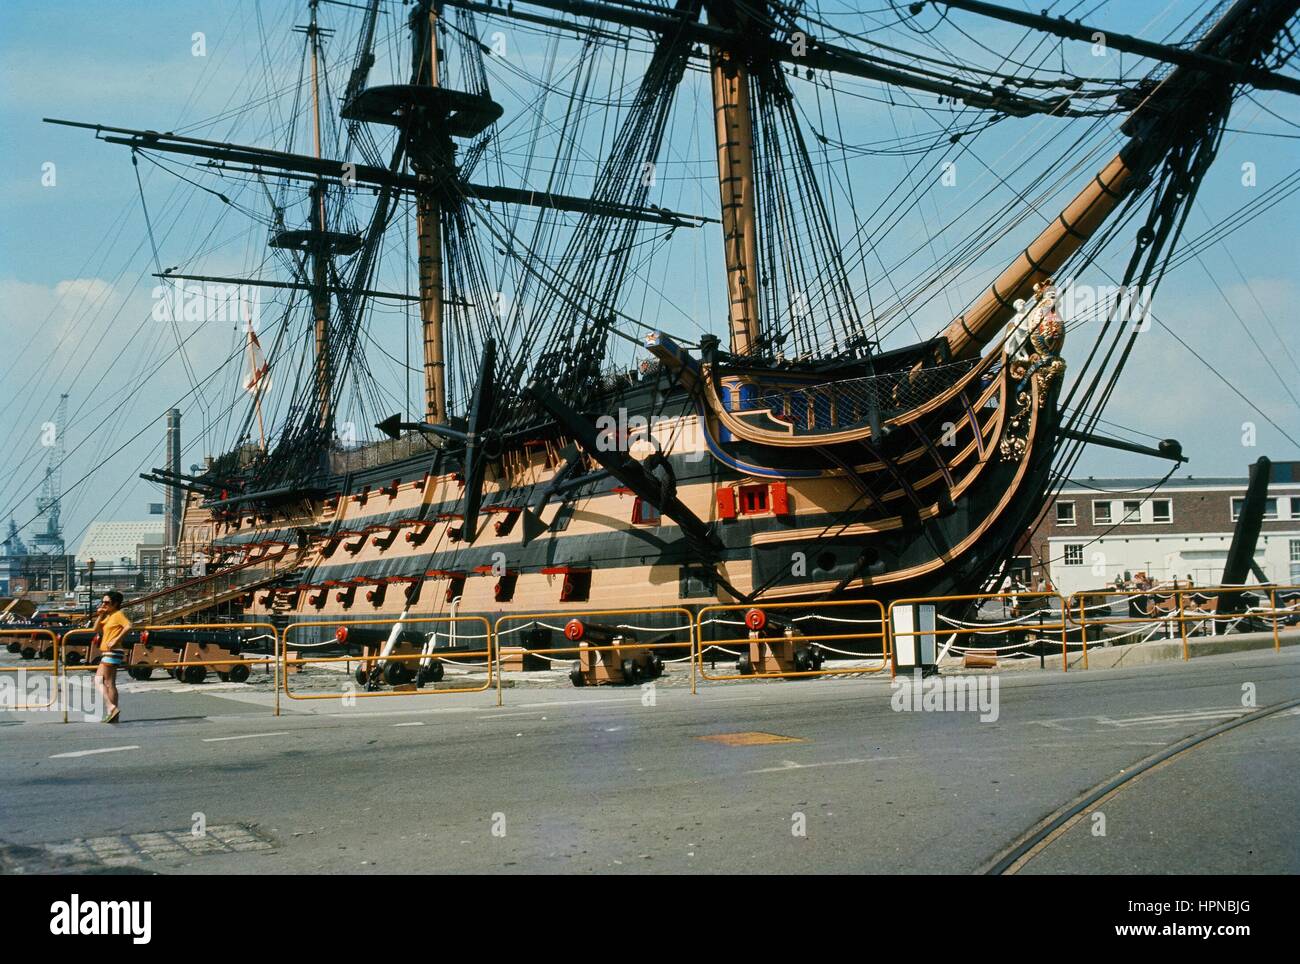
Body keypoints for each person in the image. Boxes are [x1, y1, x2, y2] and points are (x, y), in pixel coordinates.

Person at [92, 591, 131, 724]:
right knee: (105, 682)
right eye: (103, 602)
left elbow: (128, 626)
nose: (104, 604)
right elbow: (95, 629)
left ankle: (111, 708)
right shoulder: (108, 616)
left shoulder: (118, 615)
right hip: (109, 652)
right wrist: (100, 614)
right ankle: (112, 712)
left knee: (104, 682)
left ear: (115, 604)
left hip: (113, 651)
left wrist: (115, 639)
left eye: (107, 602)